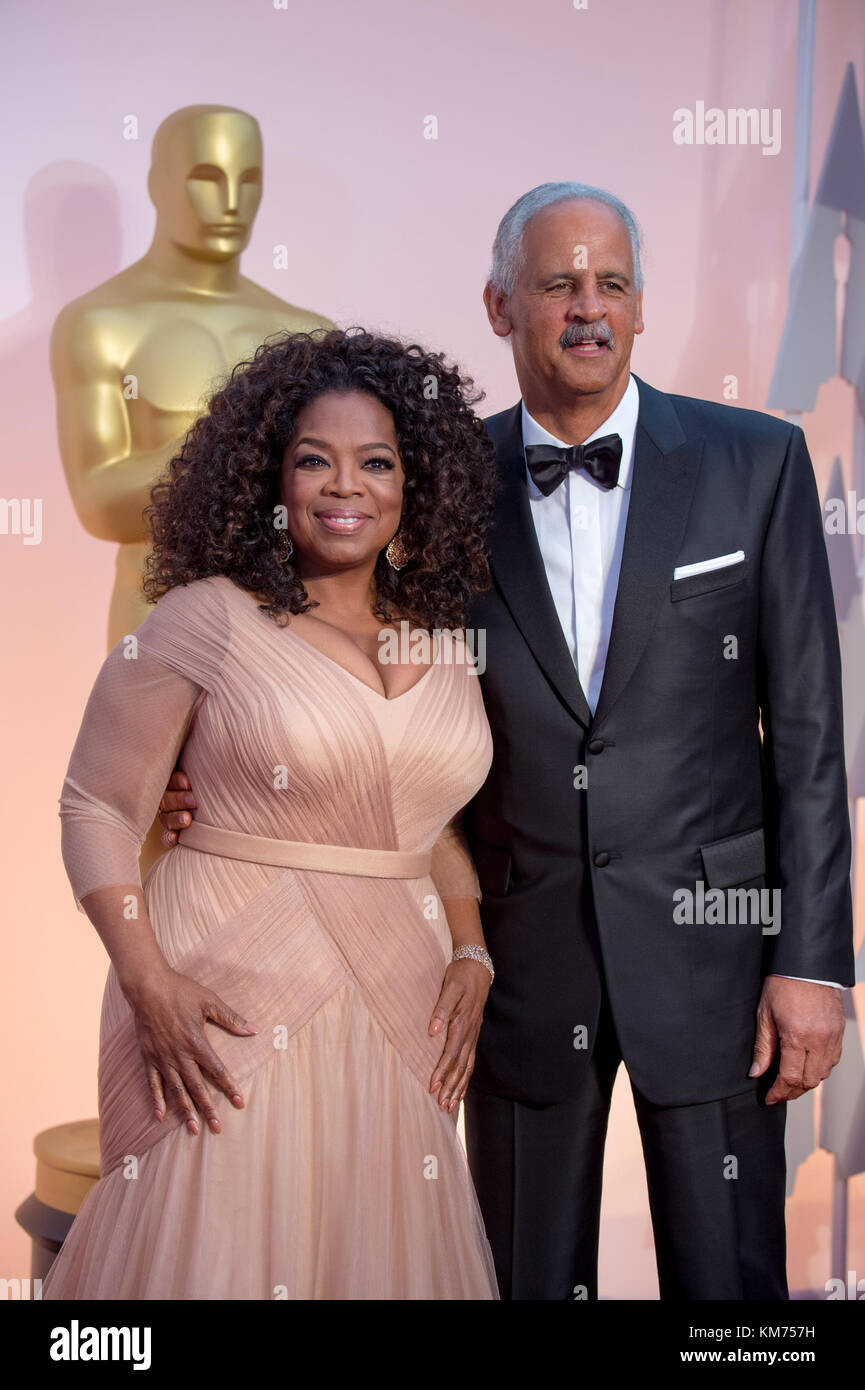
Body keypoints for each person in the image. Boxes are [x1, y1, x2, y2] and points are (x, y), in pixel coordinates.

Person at [163, 183, 856, 1302]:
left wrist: (813, 961)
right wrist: (209, 773)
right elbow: (317, 645)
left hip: (717, 960)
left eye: (612, 284)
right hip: (513, 965)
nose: (588, 308)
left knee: (732, 1294)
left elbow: (811, 743)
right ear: (498, 305)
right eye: (557, 284)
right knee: (522, 1279)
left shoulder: (755, 463)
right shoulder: (431, 483)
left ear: (639, 308)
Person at [44, 327, 501, 1300]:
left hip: (400, 1006)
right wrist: (146, 979)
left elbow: (431, 824)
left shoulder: (445, 639)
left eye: (376, 462)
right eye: (314, 461)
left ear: (412, 484)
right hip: (224, 1001)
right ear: (270, 478)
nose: (346, 486)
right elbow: (94, 805)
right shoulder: (202, 617)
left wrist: (471, 947)